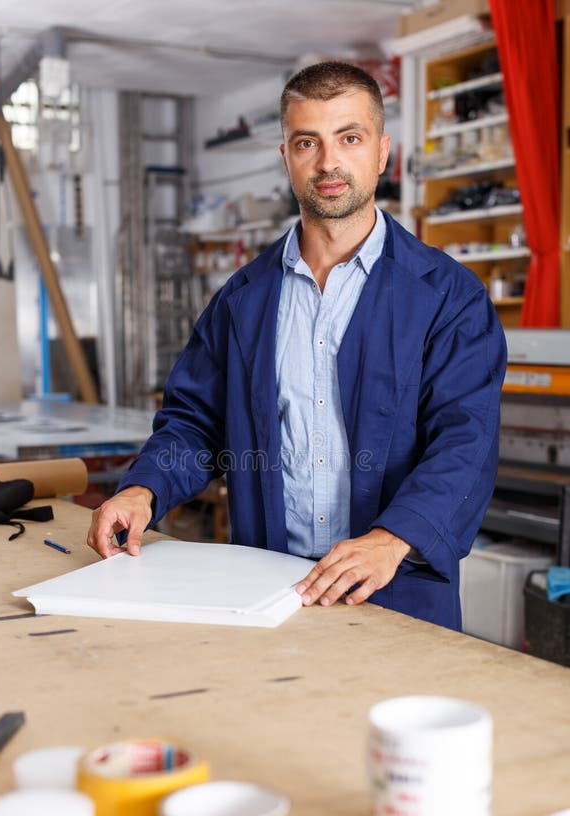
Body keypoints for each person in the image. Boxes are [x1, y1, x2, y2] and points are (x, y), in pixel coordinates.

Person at [88, 61, 507, 631]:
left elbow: (466, 443)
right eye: (307, 142)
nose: (329, 161)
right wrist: (144, 489)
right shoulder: (242, 300)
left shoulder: (447, 297)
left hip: (395, 594)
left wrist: (391, 539)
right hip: (267, 592)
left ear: (382, 152)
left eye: (349, 138)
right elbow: (194, 422)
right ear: (286, 158)